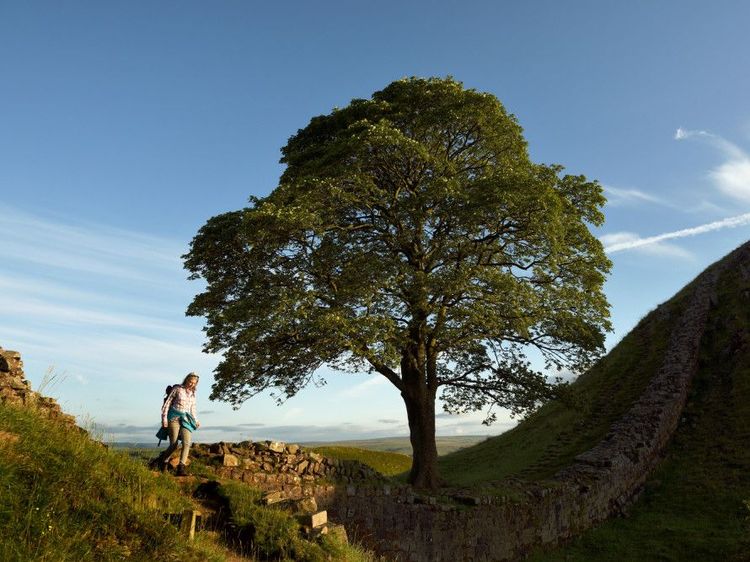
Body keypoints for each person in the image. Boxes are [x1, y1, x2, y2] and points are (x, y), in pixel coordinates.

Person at [150, 372, 201, 476]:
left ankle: (181, 468)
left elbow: (193, 409)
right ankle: (163, 461)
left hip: (186, 419)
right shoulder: (177, 389)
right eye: (190, 381)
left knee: (187, 443)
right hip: (173, 418)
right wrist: (164, 419)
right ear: (186, 379)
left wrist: (196, 420)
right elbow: (167, 404)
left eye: (194, 383)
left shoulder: (193, 394)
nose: (191, 384)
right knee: (174, 445)